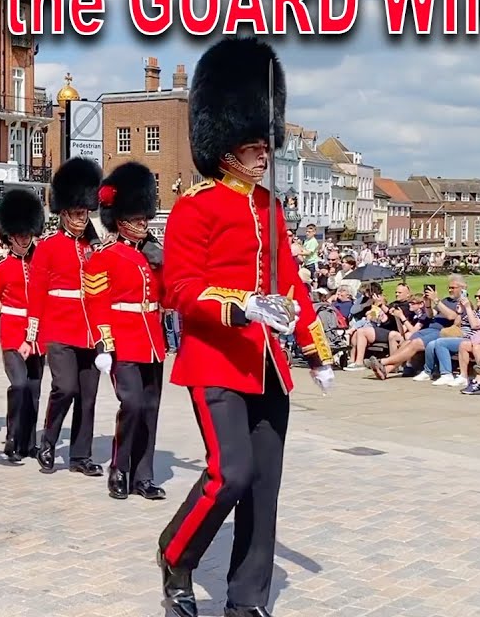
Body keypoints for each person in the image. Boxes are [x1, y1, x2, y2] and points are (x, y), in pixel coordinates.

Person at [157, 37, 334, 617]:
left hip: (267, 365)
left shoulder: (271, 209)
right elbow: (180, 289)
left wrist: (315, 346)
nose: (264, 152)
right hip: (215, 359)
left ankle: (247, 600)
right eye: (254, 144)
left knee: (264, 489)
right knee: (228, 475)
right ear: (225, 146)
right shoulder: (194, 207)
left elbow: (292, 284)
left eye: (266, 142)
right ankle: (176, 553)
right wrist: (239, 307)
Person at [83, 161, 168, 501]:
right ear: (120, 220)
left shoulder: (153, 255)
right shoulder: (103, 256)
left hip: (152, 341)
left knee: (150, 410)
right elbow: (96, 301)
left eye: (144, 219)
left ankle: (143, 476)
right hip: (123, 341)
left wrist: (167, 264)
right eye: (136, 219)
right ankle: (119, 467)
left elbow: (168, 297)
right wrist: (104, 343)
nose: (142, 225)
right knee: (131, 404)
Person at [29, 156, 105, 476]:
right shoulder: (47, 247)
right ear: (63, 213)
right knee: (66, 387)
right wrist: (34, 329)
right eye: (76, 213)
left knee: (88, 396)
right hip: (59, 327)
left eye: (85, 213)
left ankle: (80, 456)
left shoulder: (94, 246)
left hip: (90, 329)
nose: (81, 219)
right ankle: (48, 440)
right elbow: (37, 289)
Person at [0, 188, 47, 463]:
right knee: (18, 385)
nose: (24, 239)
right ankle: (12, 434)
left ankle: (28, 443)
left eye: (27, 234)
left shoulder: (40, 262)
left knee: (33, 391)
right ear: (10, 236)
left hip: (38, 334)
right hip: (11, 331)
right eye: (19, 235)